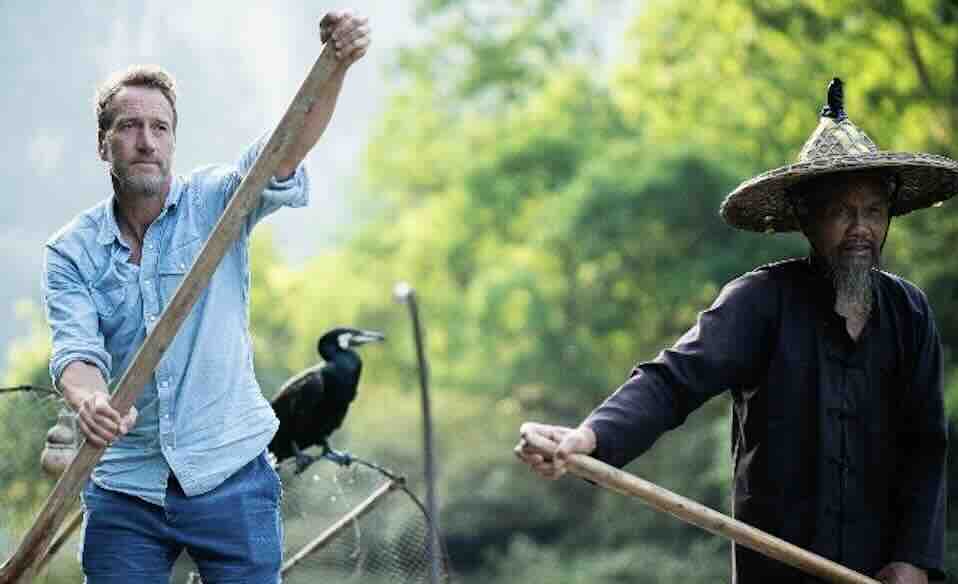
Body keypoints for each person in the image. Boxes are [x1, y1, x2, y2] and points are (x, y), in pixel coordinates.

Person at [514, 79, 952, 584]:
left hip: (879, 574)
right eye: (841, 212)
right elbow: (671, 381)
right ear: (808, 221)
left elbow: (925, 446)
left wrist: (914, 560)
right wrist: (590, 437)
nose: (861, 228)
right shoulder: (760, 302)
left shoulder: (910, 313)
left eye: (873, 211)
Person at [41, 10, 370, 583]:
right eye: (128, 126)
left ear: (173, 138)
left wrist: (334, 66)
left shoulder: (217, 201)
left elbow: (284, 149)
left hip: (231, 476)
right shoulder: (71, 250)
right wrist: (91, 401)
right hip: (127, 488)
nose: (146, 141)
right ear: (103, 144)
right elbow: (76, 352)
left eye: (159, 127)